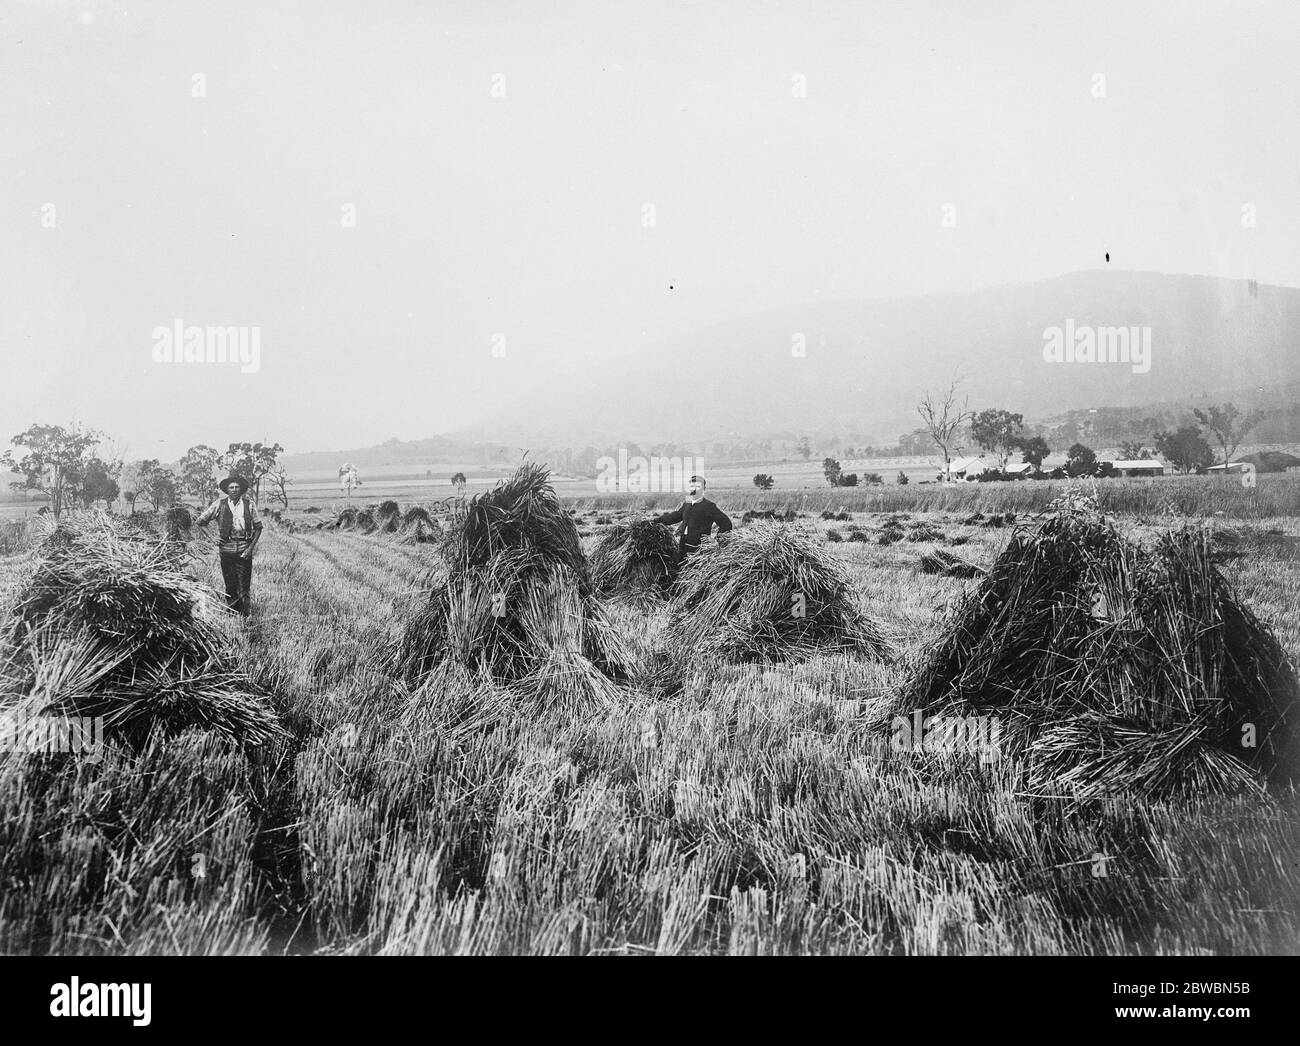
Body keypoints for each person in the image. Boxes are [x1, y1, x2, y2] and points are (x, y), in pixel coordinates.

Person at [195, 475, 263, 616]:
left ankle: (245, 615)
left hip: (244, 547)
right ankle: (232, 613)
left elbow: (258, 528)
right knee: (230, 584)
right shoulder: (219, 504)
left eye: (237, 487)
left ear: (241, 489)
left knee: (244, 586)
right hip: (226, 548)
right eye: (231, 487)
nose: (234, 490)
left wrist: (250, 549)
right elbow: (200, 521)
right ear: (227, 489)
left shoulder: (249, 504)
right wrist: (213, 538)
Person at [653, 474, 732, 562]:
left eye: (697, 486)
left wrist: (717, 540)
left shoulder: (709, 506)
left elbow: (726, 523)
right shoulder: (688, 503)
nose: (694, 489)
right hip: (683, 544)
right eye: (692, 486)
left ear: (703, 489)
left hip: (699, 548)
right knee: (681, 568)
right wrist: (658, 520)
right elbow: (676, 516)